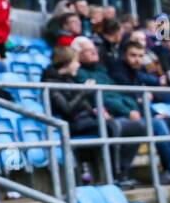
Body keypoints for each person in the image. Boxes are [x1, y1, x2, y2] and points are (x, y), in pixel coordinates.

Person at [42, 44, 144, 186]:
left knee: (136, 127)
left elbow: (83, 104)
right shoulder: (50, 83)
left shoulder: (70, 79)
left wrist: (97, 111)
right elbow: (67, 110)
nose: (78, 65)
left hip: (87, 121)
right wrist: (85, 91)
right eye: (76, 61)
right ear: (66, 63)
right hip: (72, 125)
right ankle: (114, 176)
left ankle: (123, 172)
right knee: (112, 127)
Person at [109, 37, 170, 184]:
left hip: (140, 113)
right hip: (125, 116)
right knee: (158, 124)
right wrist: (140, 101)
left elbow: (141, 100)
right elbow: (126, 99)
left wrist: (155, 113)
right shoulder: (117, 70)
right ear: (124, 56)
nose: (137, 60)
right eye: (133, 55)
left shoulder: (137, 73)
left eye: (140, 56)